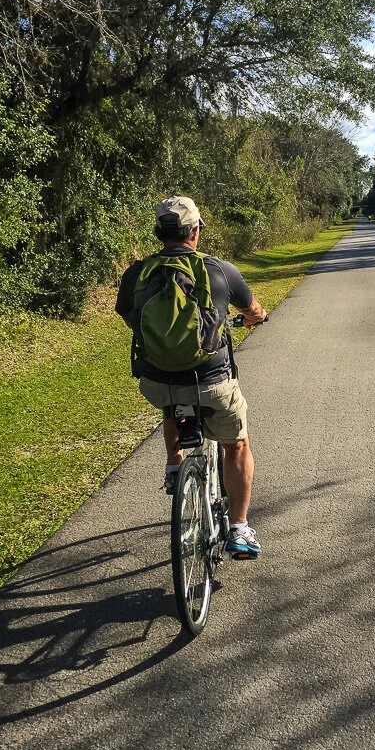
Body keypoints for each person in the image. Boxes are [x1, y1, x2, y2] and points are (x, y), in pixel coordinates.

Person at [115, 196, 267, 559]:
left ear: (158, 232)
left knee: (174, 403)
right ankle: (240, 529)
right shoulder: (219, 270)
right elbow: (253, 310)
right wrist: (254, 318)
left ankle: (174, 468)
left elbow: (130, 317)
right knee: (237, 444)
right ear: (195, 231)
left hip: (155, 383)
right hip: (212, 383)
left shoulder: (137, 273)